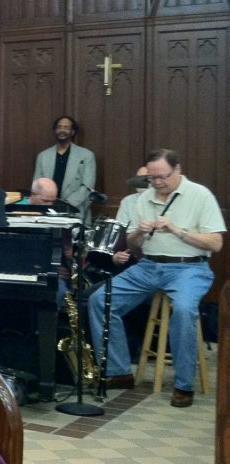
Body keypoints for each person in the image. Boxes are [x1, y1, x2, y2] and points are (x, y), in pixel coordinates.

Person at [88, 149, 225, 407]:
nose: (157, 183)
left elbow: (216, 243)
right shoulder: (143, 199)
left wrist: (177, 230)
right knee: (100, 300)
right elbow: (130, 243)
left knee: (184, 310)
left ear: (178, 170)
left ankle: (183, 385)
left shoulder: (200, 195)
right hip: (149, 266)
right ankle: (118, 371)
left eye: (162, 177)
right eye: (152, 178)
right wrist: (139, 231)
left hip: (189, 268)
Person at [33, 115, 96, 222]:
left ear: (72, 132)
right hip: (47, 212)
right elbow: (37, 185)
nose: (62, 130)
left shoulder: (86, 155)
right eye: (59, 127)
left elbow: (87, 186)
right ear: (55, 130)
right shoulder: (43, 156)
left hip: (75, 211)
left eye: (66, 127)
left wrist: (66, 205)